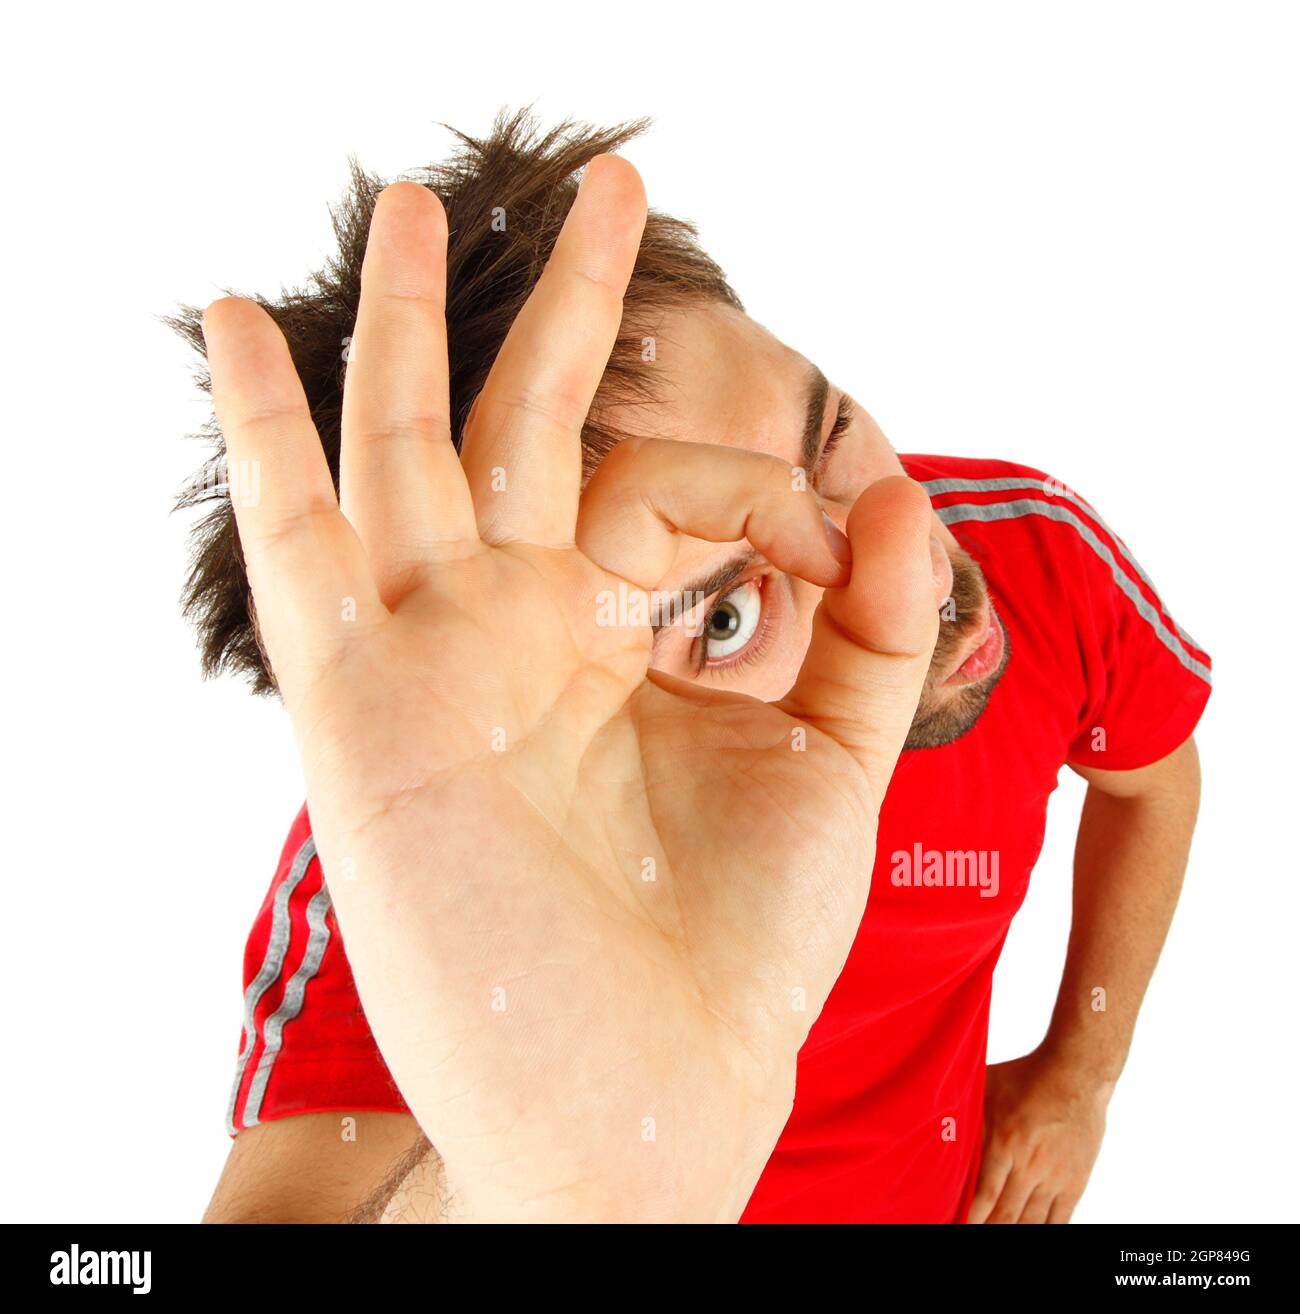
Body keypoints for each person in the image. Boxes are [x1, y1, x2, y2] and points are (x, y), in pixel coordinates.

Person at [180, 114, 1209, 1223]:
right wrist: (572, 1201)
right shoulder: (422, 866)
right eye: (724, 616)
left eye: (828, 438)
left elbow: (1149, 777)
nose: (899, 564)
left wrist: (1078, 1079)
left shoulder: (1029, 545)